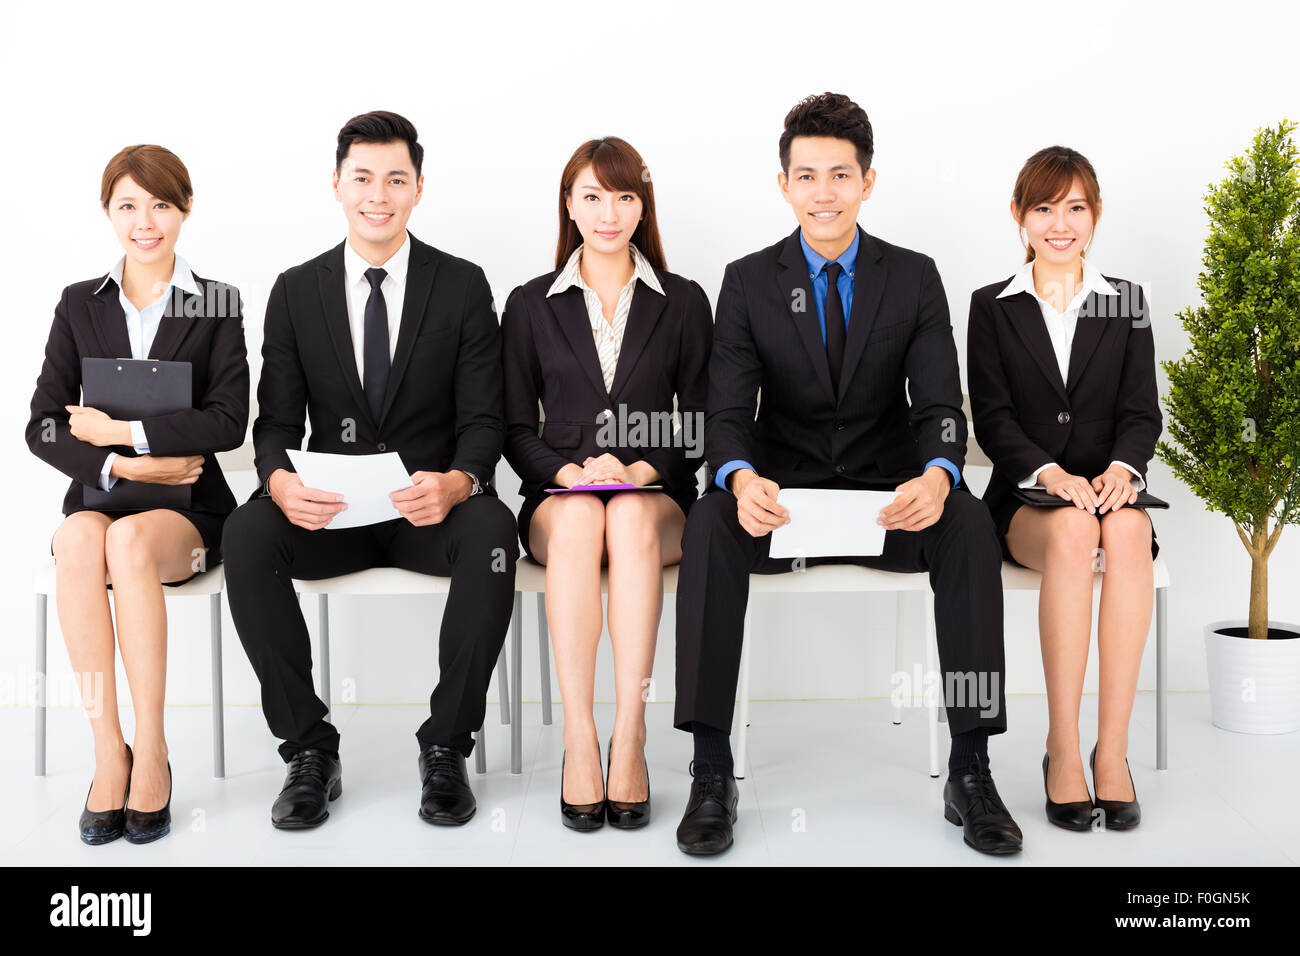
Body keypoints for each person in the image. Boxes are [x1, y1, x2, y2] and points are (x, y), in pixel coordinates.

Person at [672, 91, 1022, 857]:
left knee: (966, 520)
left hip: (887, 493)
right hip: (781, 494)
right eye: (807, 175)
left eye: (839, 174)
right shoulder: (747, 280)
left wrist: (937, 473)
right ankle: (709, 767)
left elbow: (937, 404)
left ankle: (972, 769)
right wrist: (737, 479)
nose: (823, 192)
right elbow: (727, 413)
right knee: (705, 524)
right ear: (784, 184)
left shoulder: (914, 277)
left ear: (868, 181)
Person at [222, 111, 518, 830]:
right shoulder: (297, 291)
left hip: (432, 509)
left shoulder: (462, 284)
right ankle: (308, 749)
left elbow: (484, 420)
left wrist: (459, 481)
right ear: (336, 185)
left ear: (418, 188)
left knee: (494, 534)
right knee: (247, 534)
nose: (377, 194)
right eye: (363, 178)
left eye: (395, 179)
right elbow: (278, 423)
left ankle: (446, 746)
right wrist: (279, 480)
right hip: (335, 510)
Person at [26, 144, 250, 845]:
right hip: (107, 496)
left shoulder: (217, 302)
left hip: (187, 509)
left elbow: (227, 420)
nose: (144, 221)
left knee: (125, 541)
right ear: (107, 212)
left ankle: (151, 749)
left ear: (185, 208)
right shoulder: (78, 303)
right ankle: (107, 751)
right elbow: (42, 421)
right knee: (78, 540)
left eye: (160, 204)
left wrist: (123, 430)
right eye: (127, 205)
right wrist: (129, 468)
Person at [502, 137, 711, 830]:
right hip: (560, 499)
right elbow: (513, 426)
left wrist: (639, 471)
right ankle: (578, 737)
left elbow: (706, 422)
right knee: (587, 516)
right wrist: (571, 475)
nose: (608, 211)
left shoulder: (682, 301)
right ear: (569, 204)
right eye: (591, 195)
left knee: (622, 516)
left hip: (654, 498)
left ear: (643, 205)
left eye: (624, 196)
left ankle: (630, 733)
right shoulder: (531, 304)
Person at [967, 146, 1161, 831]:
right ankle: (1063, 747)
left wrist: (1121, 470)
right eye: (1043, 207)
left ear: (1095, 214)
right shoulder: (990, 307)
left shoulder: (1127, 303)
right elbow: (991, 418)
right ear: (1019, 217)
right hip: (1030, 503)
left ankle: (1113, 751)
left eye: (1075, 207)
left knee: (1130, 528)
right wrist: (1051, 474)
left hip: (1112, 495)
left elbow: (1142, 412)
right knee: (1077, 530)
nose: (1060, 223)